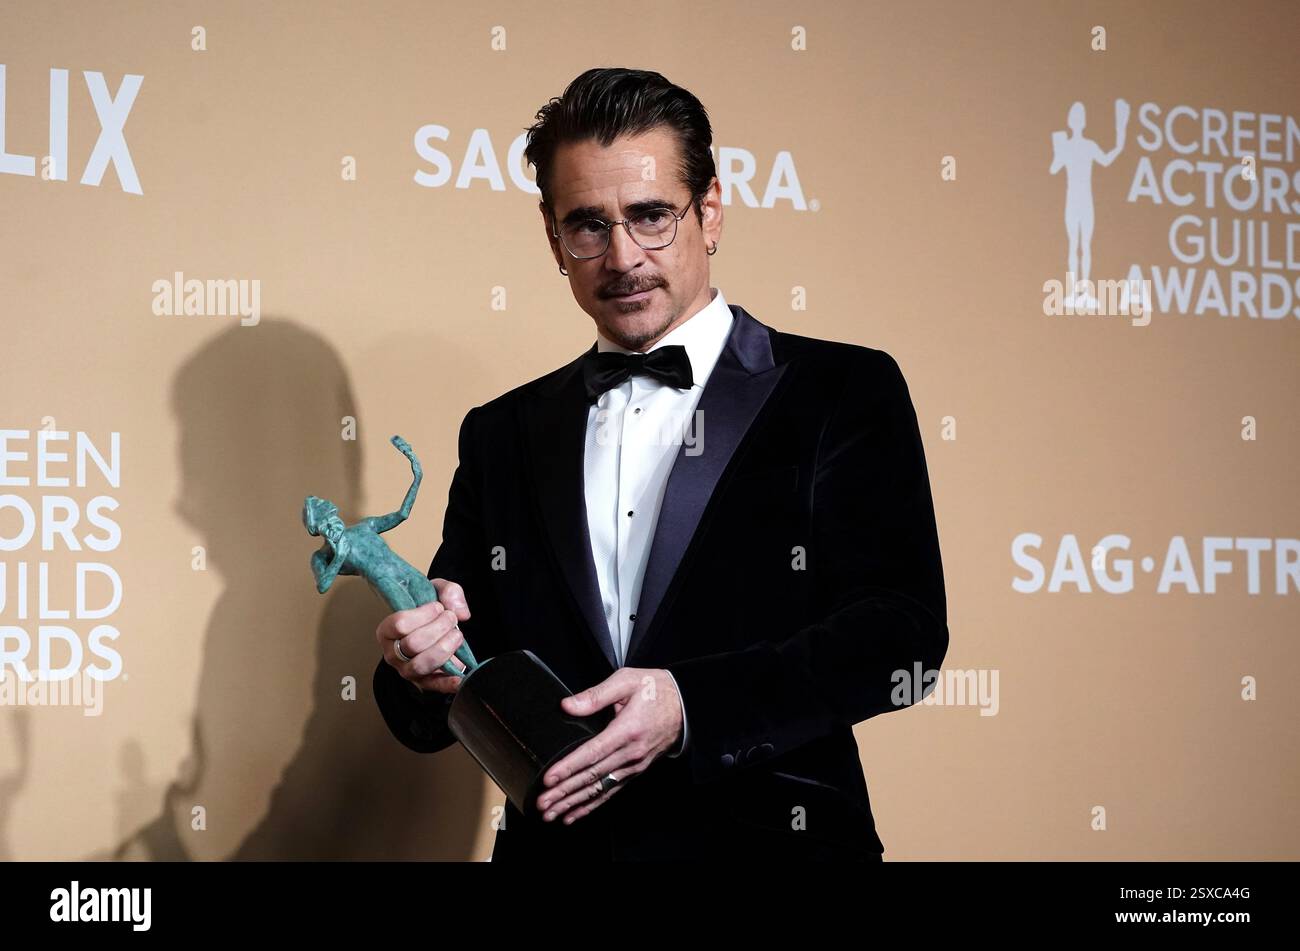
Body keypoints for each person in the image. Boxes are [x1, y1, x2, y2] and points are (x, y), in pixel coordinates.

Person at [372, 67, 948, 861]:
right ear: (552, 238)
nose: (622, 256)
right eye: (588, 226)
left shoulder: (841, 389)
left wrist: (692, 705)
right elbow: (458, 682)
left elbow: (904, 641)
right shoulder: (502, 433)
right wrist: (420, 666)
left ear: (709, 212)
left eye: (651, 217)